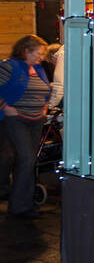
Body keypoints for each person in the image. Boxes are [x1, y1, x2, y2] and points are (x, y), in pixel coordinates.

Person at [0, 35, 51, 219]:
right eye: (38, 53)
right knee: (27, 159)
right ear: (26, 51)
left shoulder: (38, 69)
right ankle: (19, 206)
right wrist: (5, 106)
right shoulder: (9, 66)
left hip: (36, 120)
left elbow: (45, 90)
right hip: (17, 119)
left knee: (28, 161)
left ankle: (23, 201)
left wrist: (45, 105)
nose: (41, 57)